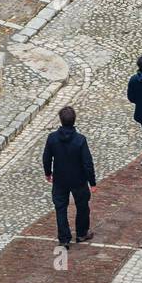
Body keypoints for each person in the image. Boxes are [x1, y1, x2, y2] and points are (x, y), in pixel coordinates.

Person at [42, 106, 97, 248]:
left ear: (60, 120)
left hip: (60, 179)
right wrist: (92, 182)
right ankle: (81, 232)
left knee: (60, 208)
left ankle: (64, 238)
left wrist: (48, 173)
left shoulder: (52, 138)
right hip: (78, 180)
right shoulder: (80, 140)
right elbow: (87, 163)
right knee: (82, 206)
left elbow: (46, 157)